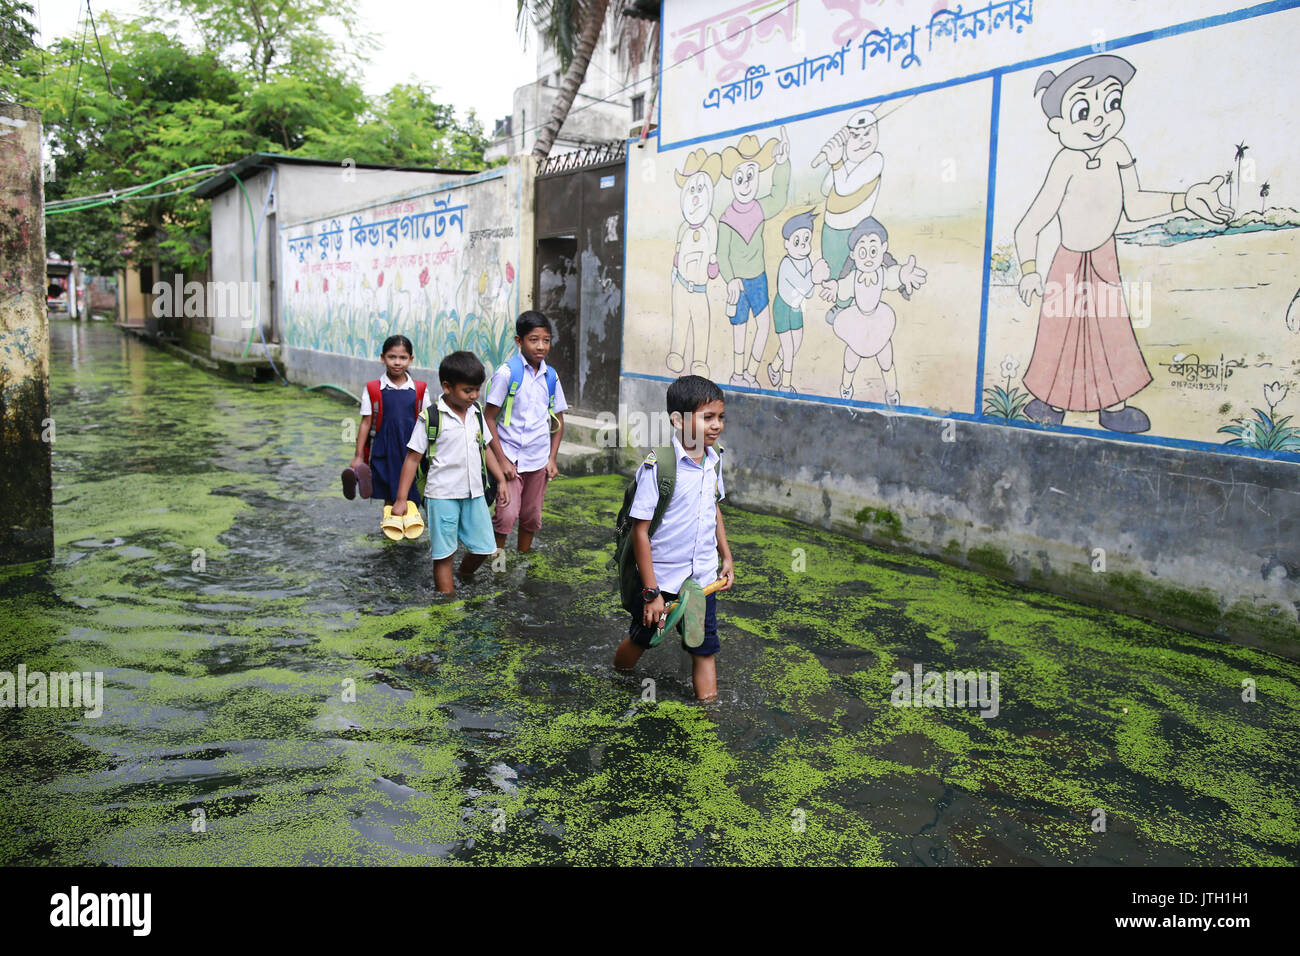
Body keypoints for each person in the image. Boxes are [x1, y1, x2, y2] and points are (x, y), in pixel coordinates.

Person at [1014, 54, 1229, 433]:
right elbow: (1030, 224)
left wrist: (1184, 200)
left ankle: (1114, 406)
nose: (1099, 118)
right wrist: (1029, 270)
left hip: (1104, 256)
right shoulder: (1065, 163)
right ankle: (1050, 401)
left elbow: (1136, 204)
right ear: (1058, 124)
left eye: (1110, 103)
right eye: (1083, 110)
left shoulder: (1117, 152)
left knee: (1111, 330)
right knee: (1059, 332)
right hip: (1069, 260)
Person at [613, 375, 735, 701]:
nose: (716, 425)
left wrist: (726, 557)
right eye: (708, 417)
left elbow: (714, 509)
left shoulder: (714, 459)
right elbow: (640, 531)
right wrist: (651, 592)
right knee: (642, 638)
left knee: (705, 648)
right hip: (663, 582)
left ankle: (709, 715)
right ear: (678, 420)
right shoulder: (660, 466)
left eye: (720, 417)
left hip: (703, 578)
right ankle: (615, 683)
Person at [390, 351, 510, 594]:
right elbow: (412, 459)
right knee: (444, 554)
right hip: (441, 495)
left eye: (478, 389)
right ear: (447, 386)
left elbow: (484, 448)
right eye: (468, 390)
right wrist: (401, 499)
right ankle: (447, 601)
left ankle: (463, 575)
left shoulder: (476, 413)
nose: (474, 395)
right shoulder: (430, 418)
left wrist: (500, 480)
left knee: (485, 548)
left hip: (474, 493)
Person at [484, 311, 568, 553]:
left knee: (531, 517)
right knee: (506, 517)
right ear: (519, 341)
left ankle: (523, 559)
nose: (541, 346)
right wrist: (501, 460)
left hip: (538, 461)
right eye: (534, 340)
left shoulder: (551, 376)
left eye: (546, 340)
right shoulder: (507, 374)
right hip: (510, 458)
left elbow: (559, 421)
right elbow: (488, 418)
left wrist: (552, 458)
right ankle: (498, 568)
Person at [821, 217, 926, 403]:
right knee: (851, 360)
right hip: (858, 321)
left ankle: (892, 394)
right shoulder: (854, 277)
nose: (868, 257)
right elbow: (843, 287)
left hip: (878, 321)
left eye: (873, 250)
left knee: (886, 361)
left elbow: (894, 277)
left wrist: (903, 274)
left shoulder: (882, 274)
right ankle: (846, 388)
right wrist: (835, 288)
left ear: (883, 248)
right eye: (862, 251)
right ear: (853, 255)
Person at [717, 130, 791, 388]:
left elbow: (779, 198)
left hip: (758, 278)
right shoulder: (726, 218)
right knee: (739, 328)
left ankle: (750, 372)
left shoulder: (759, 208)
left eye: (751, 175)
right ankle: (738, 374)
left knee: (763, 325)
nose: (746, 182)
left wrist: (782, 164)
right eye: (740, 177)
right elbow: (721, 254)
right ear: (732, 182)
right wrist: (730, 279)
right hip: (737, 284)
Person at [344, 335, 431, 528]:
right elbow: (366, 422)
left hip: (413, 449)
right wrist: (359, 456)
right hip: (385, 448)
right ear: (382, 358)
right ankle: (390, 531)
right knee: (389, 495)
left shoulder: (420, 389)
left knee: (414, 492)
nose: (397, 362)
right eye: (392, 357)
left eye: (402, 358)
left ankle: (411, 529)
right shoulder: (373, 388)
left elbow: (428, 421)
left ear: (411, 359)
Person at [767, 209, 829, 392]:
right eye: (797, 240)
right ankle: (785, 386)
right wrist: (814, 278)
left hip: (796, 307)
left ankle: (774, 367)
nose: (802, 244)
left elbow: (808, 292)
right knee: (788, 348)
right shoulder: (786, 264)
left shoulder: (807, 261)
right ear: (787, 243)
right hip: (783, 307)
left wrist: (815, 279)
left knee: (796, 344)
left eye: (806, 239)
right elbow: (804, 284)